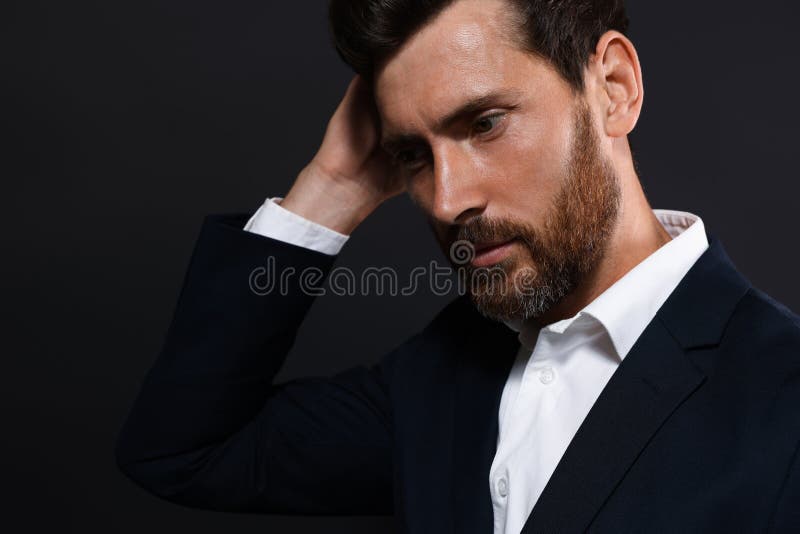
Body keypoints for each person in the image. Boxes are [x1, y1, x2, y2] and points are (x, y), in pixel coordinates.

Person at [115, 0, 800, 532]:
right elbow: (182, 452)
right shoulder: (439, 376)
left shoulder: (780, 398)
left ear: (614, 88)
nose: (446, 202)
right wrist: (332, 187)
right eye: (413, 154)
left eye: (485, 123)